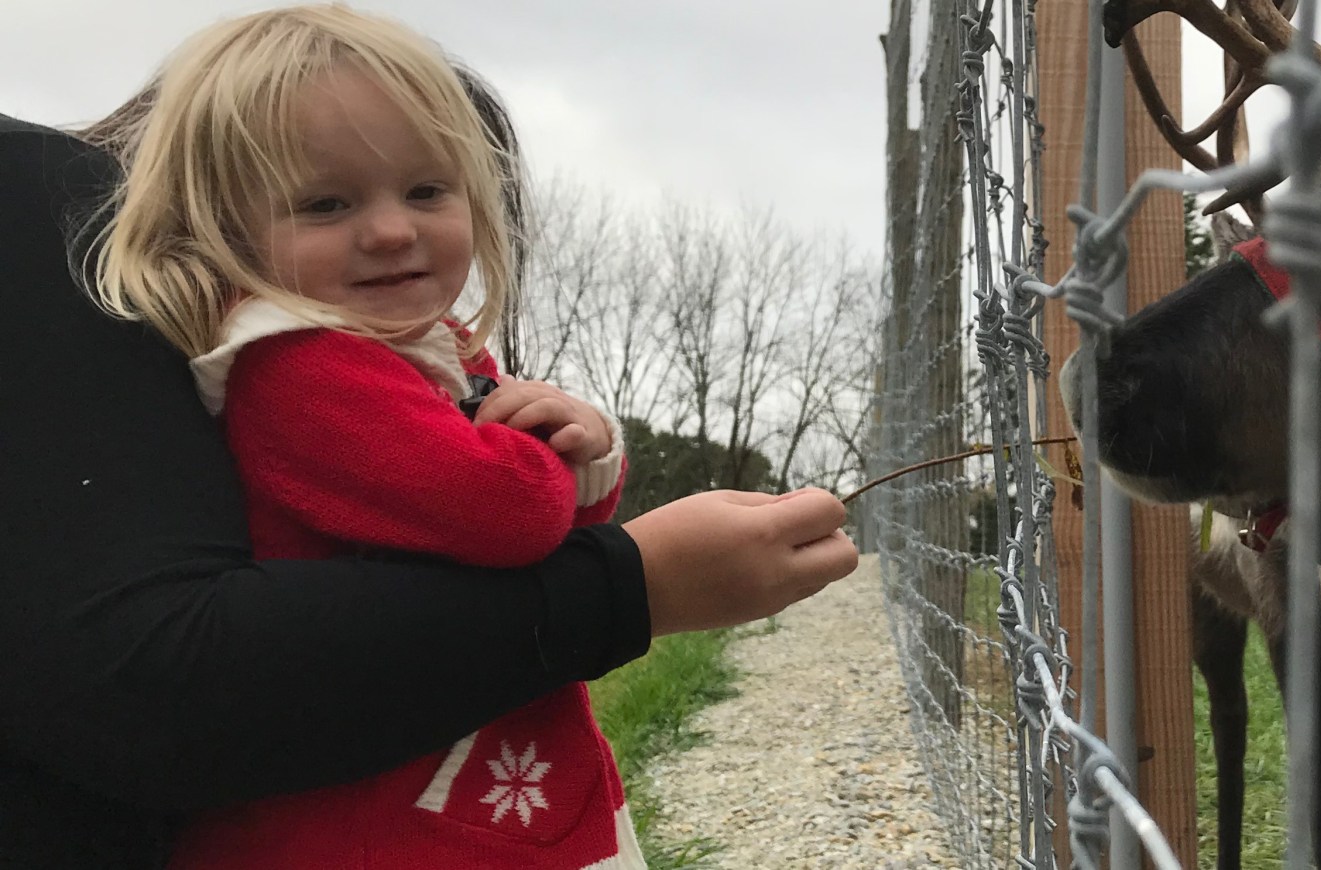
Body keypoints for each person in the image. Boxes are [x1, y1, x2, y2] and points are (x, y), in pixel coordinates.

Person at [0, 12, 858, 870]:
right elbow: (506, 516)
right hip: (366, 822)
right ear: (225, 229)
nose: (388, 231)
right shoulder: (301, 363)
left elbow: (554, 521)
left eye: (425, 192)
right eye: (324, 204)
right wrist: (579, 496)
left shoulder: (417, 341)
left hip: (421, 780)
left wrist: (583, 444)